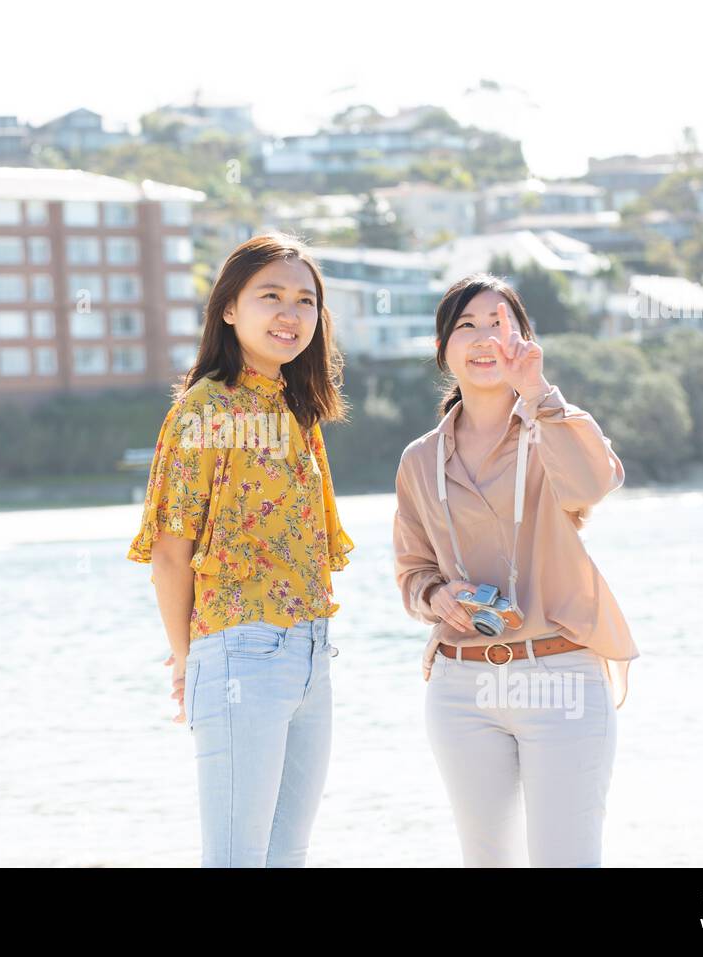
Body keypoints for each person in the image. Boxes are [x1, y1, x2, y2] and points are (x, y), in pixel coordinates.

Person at [392, 272, 639, 867]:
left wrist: (539, 395)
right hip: (460, 686)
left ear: (525, 340)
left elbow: (593, 485)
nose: (483, 339)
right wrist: (438, 595)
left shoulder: (553, 423)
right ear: (442, 349)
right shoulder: (420, 460)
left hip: (561, 675)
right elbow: (411, 570)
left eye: (498, 325)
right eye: (466, 326)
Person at [128, 232, 353, 867]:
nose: (291, 314)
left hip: (312, 652)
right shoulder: (206, 406)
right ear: (230, 307)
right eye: (271, 296)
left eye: (305, 301)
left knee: (287, 856)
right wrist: (185, 660)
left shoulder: (297, 408)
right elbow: (170, 554)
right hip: (239, 656)